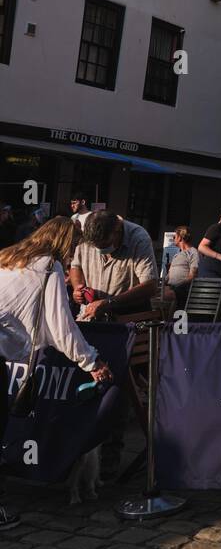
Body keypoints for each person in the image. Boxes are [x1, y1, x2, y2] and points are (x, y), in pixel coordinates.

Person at [0, 217, 113, 531]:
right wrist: (92, 362)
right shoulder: (49, 268)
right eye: (74, 245)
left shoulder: (9, 258)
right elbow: (62, 328)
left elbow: (39, 322)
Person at [69, 211, 160, 319]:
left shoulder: (138, 239)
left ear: (117, 231)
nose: (101, 250)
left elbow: (150, 286)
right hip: (89, 315)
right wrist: (77, 288)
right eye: (96, 247)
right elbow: (76, 267)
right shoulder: (86, 236)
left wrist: (110, 302)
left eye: (105, 245)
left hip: (126, 319)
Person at [164, 226, 199, 307]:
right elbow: (168, 276)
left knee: (166, 296)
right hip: (170, 288)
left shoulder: (193, 252)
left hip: (182, 290)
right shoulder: (176, 255)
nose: (173, 239)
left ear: (180, 237)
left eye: (174, 236)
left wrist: (177, 286)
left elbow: (193, 276)